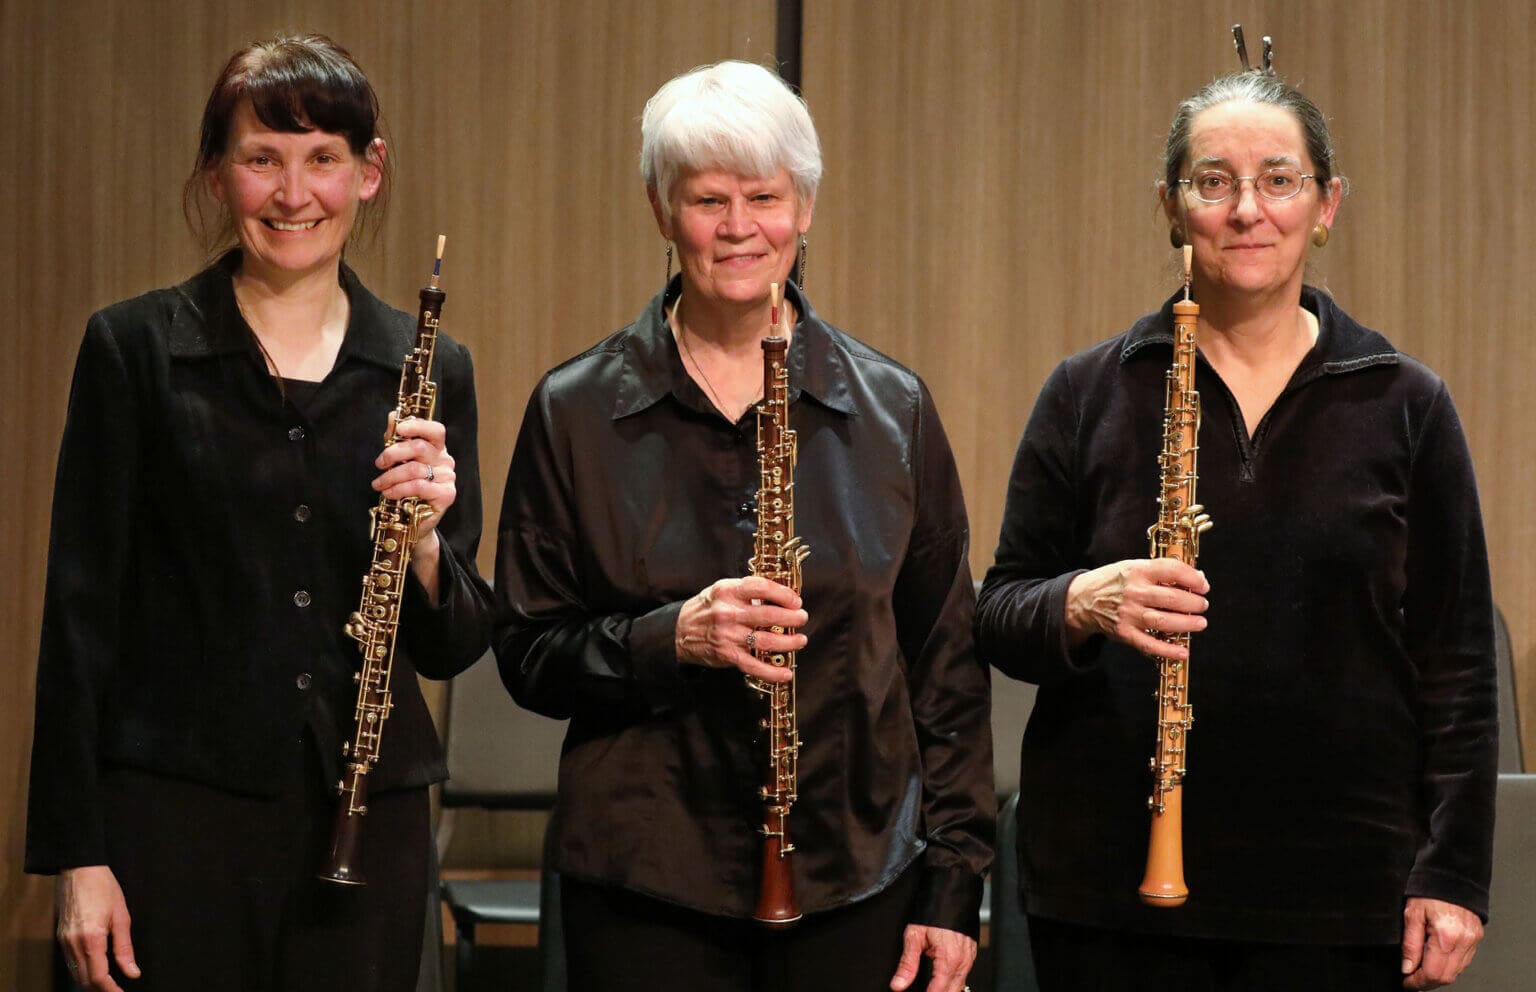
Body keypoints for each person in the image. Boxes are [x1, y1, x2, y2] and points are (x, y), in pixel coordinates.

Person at [975, 52, 1497, 992]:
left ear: (1326, 204)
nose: (1246, 210)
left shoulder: (1406, 401)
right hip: (1108, 892)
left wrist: (1454, 874)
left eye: (1278, 181)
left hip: (1341, 894)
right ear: (1172, 206)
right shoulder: (1089, 391)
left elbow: (1455, 664)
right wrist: (1084, 601)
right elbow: (1000, 613)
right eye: (1213, 183)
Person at [494, 60, 993, 992]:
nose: (737, 229)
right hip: (647, 879)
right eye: (706, 199)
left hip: (856, 874)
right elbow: (525, 652)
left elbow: (945, 665)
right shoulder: (575, 410)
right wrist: (669, 638)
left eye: (763, 196)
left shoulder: (892, 411)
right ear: (659, 208)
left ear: (804, 207)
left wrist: (954, 881)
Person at [25, 35, 493, 992]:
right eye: (261, 159)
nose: (293, 194)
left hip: (370, 818)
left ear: (369, 172)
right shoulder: (136, 352)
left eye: (323, 159)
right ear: (216, 173)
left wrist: (428, 544)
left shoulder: (431, 368)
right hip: (176, 818)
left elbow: (452, 645)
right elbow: (80, 623)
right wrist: (78, 855)